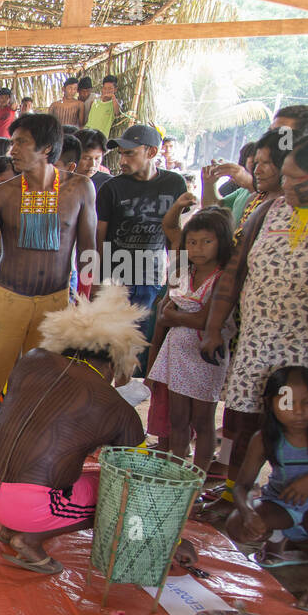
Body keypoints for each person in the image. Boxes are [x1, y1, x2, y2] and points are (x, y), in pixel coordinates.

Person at [0, 285, 149, 574]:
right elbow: (137, 479)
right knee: (114, 489)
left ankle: (8, 528)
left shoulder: (34, 358)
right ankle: (30, 538)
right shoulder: (119, 409)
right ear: (115, 363)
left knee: (38, 458)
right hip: (24, 504)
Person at [201, 132, 308, 498]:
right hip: (259, 343)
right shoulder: (269, 210)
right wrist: (214, 327)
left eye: (296, 178)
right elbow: (234, 272)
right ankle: (233, 491)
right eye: (286, 175)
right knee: (242, 420)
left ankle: (307, 508)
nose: (285, 183)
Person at [0, 114, 96, 455]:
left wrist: (88, 309)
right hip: (8, 301)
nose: (12, 150)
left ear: (47, 148)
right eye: (13, 142)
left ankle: (33, 449)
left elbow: (88, 253)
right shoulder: (1, 194)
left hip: (55, 303)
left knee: (45, 384)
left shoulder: (80, 188)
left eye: (21, 142)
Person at [227, 367, 308, 613]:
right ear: (271, 404)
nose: (298, 411)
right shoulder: (265, 438)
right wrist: (247, 513)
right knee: (237, 526)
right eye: (287, 402)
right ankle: (279, 541)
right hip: (283, 508)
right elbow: (242, 486)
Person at [147, 207, 234, 472]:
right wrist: (172, 317)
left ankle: (199, 475)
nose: (198, 248)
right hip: (176, 353)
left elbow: (207, 322)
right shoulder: (183, 273)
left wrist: (175, 317)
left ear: (222, 243)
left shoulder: (223, 278)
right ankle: (175, 471)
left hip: (205, 358)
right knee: (178, 418)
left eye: (207, 242)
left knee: (203, 419)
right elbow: (161, 316)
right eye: (192, 242)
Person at [95, 124, 188, 373]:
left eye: (130, 153)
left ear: (151, 152)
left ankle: (123, 397)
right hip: (116, 277)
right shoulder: (111, 188)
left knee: (136, 345)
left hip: (151, 276)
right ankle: (103, 395)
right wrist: (96, 280)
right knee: (109, 344)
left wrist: (180, 278)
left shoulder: (175, 183)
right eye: (121, 153)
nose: (122, 159)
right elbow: (99, 239)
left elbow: (177, 234)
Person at [75, 128, 111, 194]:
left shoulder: (108, 184)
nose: (92, 165)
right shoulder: (59, 179)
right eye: (87, 158)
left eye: (97, 158)